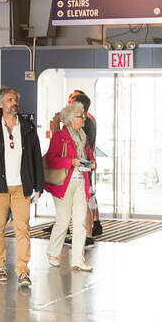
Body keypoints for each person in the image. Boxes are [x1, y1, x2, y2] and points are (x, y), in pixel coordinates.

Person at [0, 86, 44, 287]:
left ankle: (23, 270)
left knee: (23, 229)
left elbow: (35, 157)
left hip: (22, 187)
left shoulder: (27, 127)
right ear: (1, 104)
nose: (14, 103)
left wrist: (39, 184)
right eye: (10, 100)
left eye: (15, 100)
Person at [44, 101, 95, 272]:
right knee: (64, 220)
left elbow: (89, 154)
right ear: (72, 119)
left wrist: (93, 162)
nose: (84, 119)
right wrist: (69, 162)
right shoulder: (59, 136)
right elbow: (51, 159)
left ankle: (78, 260)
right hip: (63, 183)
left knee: (80, 221)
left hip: (81, 181)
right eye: (82, 116)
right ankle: (53, 252)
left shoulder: (83, 136)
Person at [67, 89, 100, 243]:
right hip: (85, 164)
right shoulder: (90, 121)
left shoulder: (82, 124)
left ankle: (86, 235)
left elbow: (76, 147)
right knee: (84, 198)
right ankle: (86, 234)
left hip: (80, 164)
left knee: (82, 199)